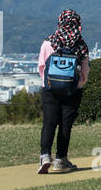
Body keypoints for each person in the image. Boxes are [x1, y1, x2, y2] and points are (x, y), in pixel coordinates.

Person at [37, 9, 90, 174]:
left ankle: (45, 156)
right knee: (65, 125)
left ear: (60, 23)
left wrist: (48, 84)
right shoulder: (80, 45)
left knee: (49, 123)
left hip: (50, 89)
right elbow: (85, 73)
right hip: (71, 91)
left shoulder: (49, 42)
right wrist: (79, 85)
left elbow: (41, 67)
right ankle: (61, 159)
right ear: (78, 25)